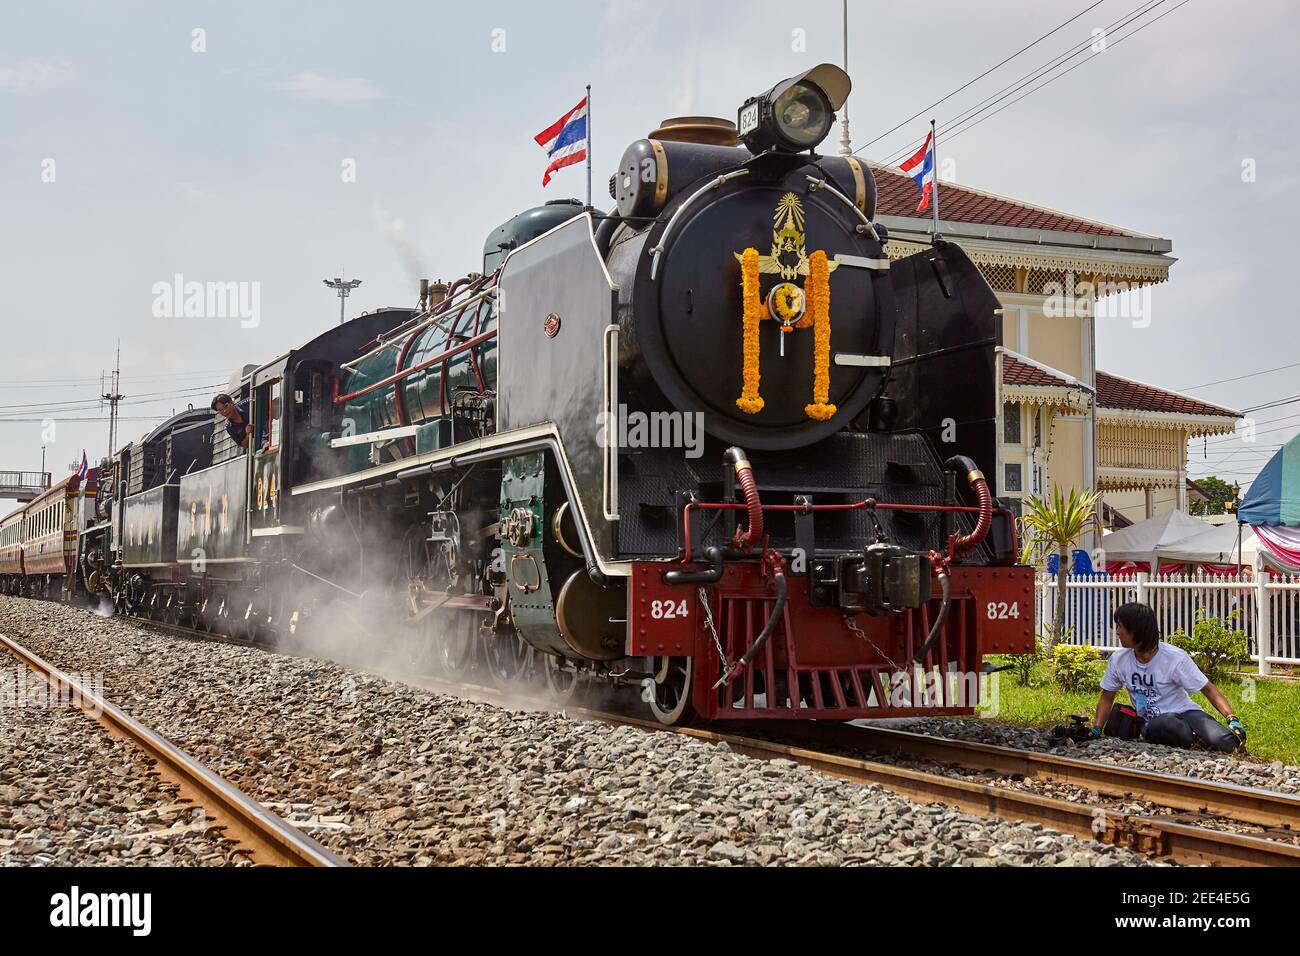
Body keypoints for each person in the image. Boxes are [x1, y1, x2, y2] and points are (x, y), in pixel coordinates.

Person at [1092, 602, 1245, 752]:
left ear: (1136, 629)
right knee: (1167, 723)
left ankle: (1195, 738)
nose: (1117, 631)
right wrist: (1097, 730)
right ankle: (1195, 740)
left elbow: (1208, 689)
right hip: (1154, 722)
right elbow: (1107, 697)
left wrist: (1231, 718)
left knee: (1225, 742)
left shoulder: (1174, 657)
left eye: (1120, 626)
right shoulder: (1119, 659)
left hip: (1186, 713)